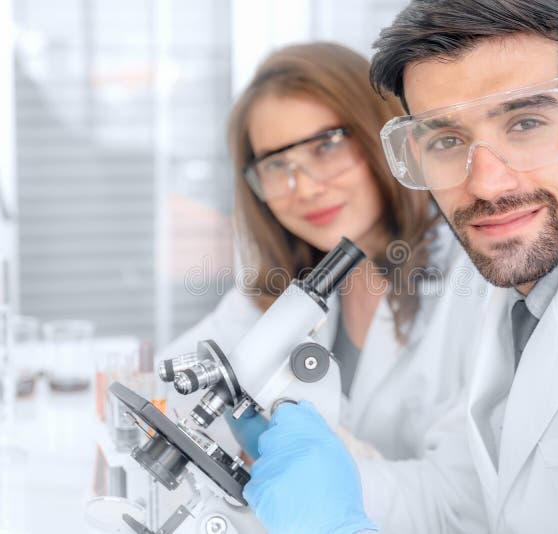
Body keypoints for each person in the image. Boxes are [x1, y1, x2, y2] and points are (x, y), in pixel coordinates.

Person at [243, 2, 558, 533]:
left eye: (525, 122)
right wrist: (325, 469)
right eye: (447, 140)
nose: (487, 185)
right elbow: (456, 506)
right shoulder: (521, 293)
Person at [160, 42, 491, 533]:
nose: (305, 186)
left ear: (383, 136)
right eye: (276, 164)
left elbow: (461, 504)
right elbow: (166, 387)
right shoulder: (289, 286)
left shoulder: (476, 278)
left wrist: (320, 472)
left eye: (327, 145)